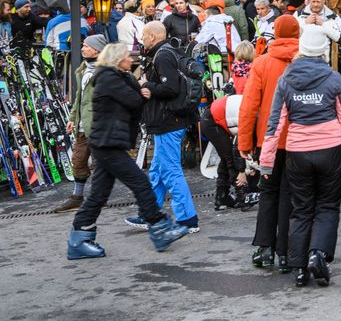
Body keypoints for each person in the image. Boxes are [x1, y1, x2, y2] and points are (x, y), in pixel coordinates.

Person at [67, 43, 188, 259]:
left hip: (108, 142)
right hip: (107, 143)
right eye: (126, 57)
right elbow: (133, 100)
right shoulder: (108, 78)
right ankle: (159, 227)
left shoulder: (116, 77)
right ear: (117, 59)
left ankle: (79, 238)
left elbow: (134, 98)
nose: (131, 59)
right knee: (140, 183)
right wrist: (142, 92)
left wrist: (140, 89)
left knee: (99, 194)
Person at [260, 25, 341, 287]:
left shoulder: (286, 79)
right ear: (323, 51)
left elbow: (275, 123)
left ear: (301, 49)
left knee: (300, 209)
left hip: (297, 151)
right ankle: (318, 253)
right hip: (330, 148)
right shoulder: (334, 78)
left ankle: (299, 267)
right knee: (327, 205)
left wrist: (267, 161)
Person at [238, 15, 300, 271]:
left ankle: (265, 248)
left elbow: (249, 105)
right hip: (298, 140)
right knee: (289, 195)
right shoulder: (305, 62)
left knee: (268, 192)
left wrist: (244, 141)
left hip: (268, 140)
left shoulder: (262, 63)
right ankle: (285, 251)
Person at [125, 22, 200, 233]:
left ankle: (188, 219)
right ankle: (150, 213)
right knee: (158, 170)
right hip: (169, 120)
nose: (141, 39)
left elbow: (171, 88)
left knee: (170, 171)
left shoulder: (162, 55)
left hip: (168, 121)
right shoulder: (167, 52)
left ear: (152, 36)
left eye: (143, 35)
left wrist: (147, 86)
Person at [53, 35, 107, 213]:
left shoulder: (105, 71)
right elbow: (79, 98)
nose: (82, 48)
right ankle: (77, 197)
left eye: (86, 46)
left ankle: (99, 197)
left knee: (100, 164)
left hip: (98, 125)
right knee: (78, 160)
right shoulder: (83, 70)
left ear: (97, 50)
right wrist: (72, 118)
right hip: (82, 125)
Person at [202, 41, 255, 210]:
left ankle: (222, 196)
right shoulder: (251, 75)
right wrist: (242, 172)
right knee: (231, 160)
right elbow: (239, 148)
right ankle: (241, 196)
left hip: (219, 114)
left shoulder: (235, 71)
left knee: (226, 160)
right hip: (217, 118)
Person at [297, 0, 341, 65]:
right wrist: (305, 23)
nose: (315, 4)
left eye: (318, 2)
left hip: (324, 63)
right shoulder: (298, 14)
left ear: (324, 0)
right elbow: (292, 35)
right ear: (309, 0)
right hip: (302, 62)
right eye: (313, 1)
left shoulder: (333, 17)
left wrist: (323, 24)